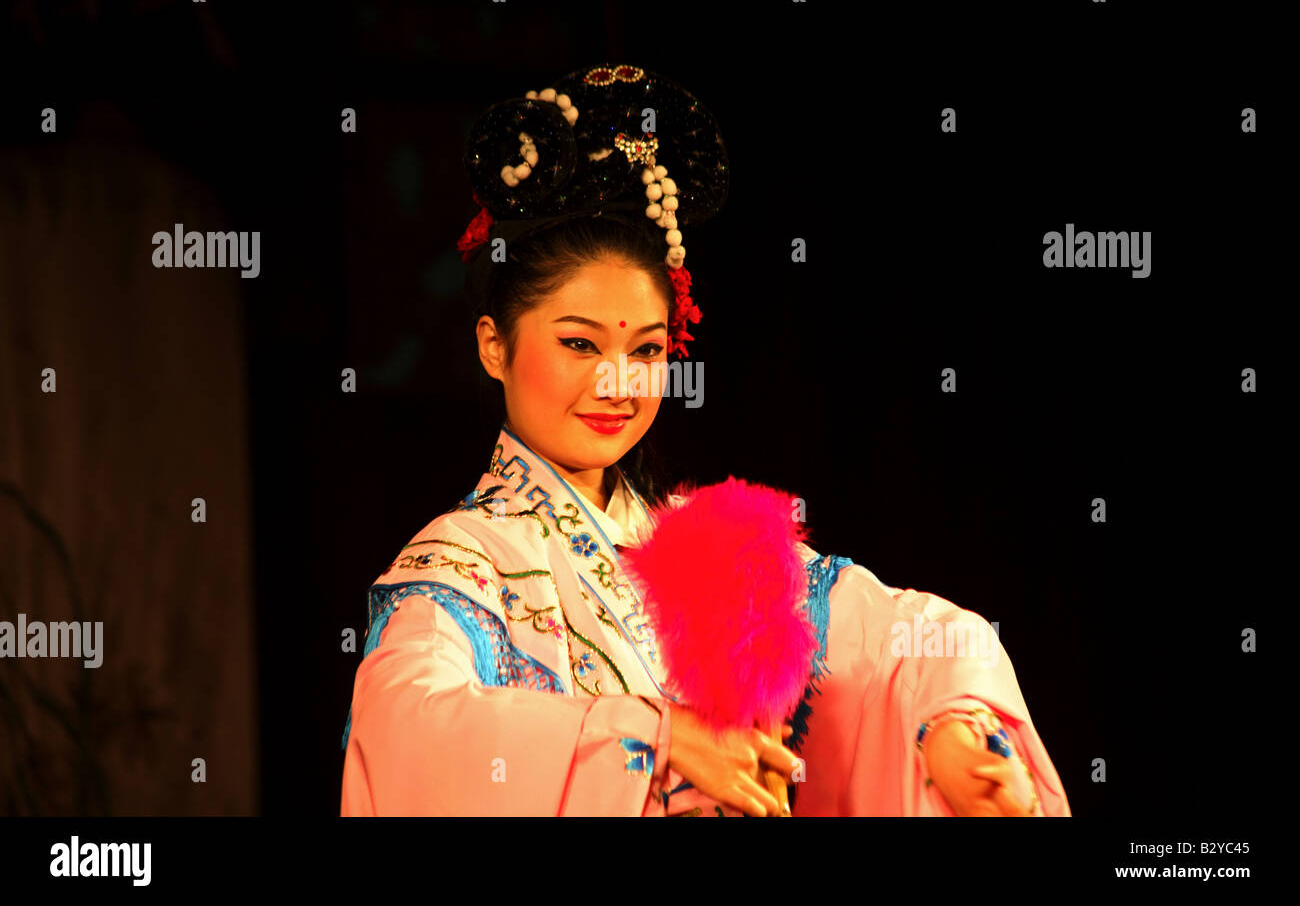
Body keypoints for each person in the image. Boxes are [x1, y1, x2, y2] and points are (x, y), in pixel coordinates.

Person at [339, 64, 1071, 816]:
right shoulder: (461, 565)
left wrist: (949, 725)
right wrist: (649, 738)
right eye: (580, 345)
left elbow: (901, 641)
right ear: (494, 347)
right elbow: (410, 727)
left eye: (646, 351)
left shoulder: (714, 551)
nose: (618, 385)